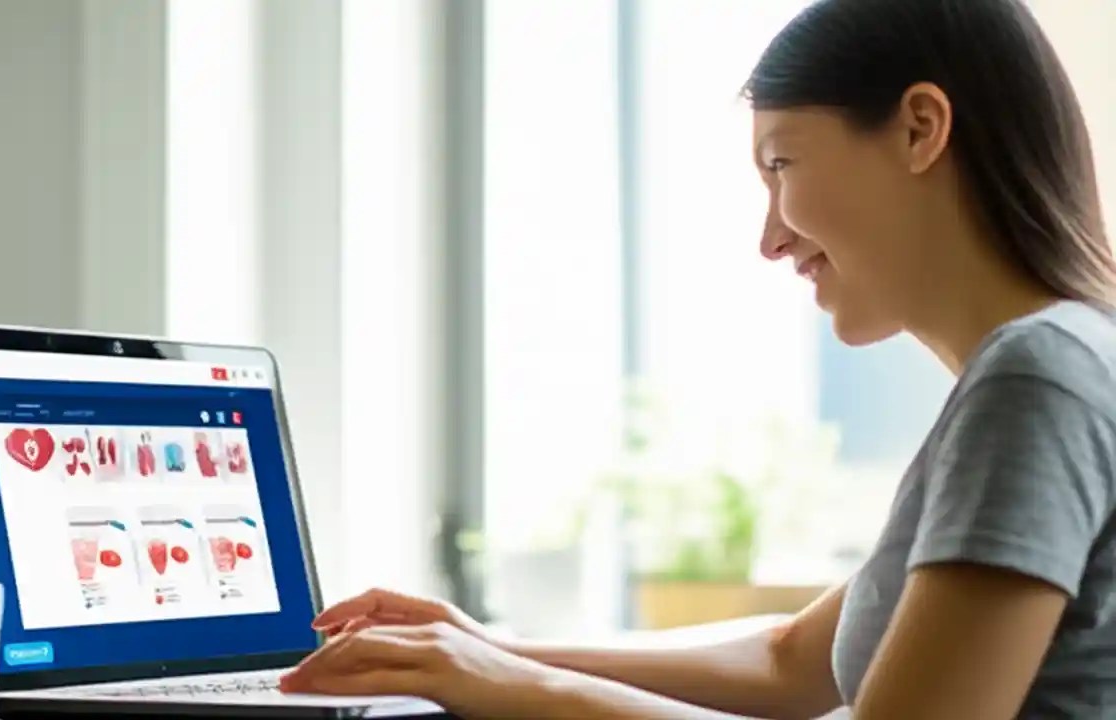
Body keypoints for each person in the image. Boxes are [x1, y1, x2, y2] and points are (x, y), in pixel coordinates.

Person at [280, 0, 1116, 717]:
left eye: (781, 163)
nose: (770, 237)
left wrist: (514, 686)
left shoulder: (1037, 379)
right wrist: (494, 647)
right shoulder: (1058, 367)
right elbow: (790, 662)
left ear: (920, 128)